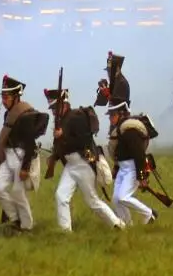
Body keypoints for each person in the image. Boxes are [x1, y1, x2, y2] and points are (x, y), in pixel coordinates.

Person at [51, 93, 124, 232]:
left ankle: (118, 224)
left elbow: (83, 141)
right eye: (53, 108)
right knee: (61, 195)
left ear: (64, 105)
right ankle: (65, 231)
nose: (54, 111)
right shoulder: (61, 121)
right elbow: (62, 145)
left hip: (83, 163)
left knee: (92, 201)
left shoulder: (77, 117)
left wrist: (63, 135)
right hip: (70, 165)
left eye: (56, 107)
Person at [0, 75, 46, 231]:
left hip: (21, 157)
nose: (4, 100)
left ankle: (27, 226)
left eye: (6, 97)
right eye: (2, 96)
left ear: (16, 97)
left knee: (17, 192)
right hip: (9, 156)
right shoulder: (8, 114)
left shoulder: (26, 114)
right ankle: (15, 218)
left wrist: (25, 167)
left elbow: (30, 142)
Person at [106, 102, 157, 225]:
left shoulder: (130, 130)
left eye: (113, 115)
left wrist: (142, 177)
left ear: (121, 114)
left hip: (132, 167)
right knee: (116, 200)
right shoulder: (121, 128)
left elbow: (138, 154)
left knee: (123, 197)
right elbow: (122, 151)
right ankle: (127, 224)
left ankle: (149, 214)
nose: (110, 118)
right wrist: (116, 167)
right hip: (124, 167)